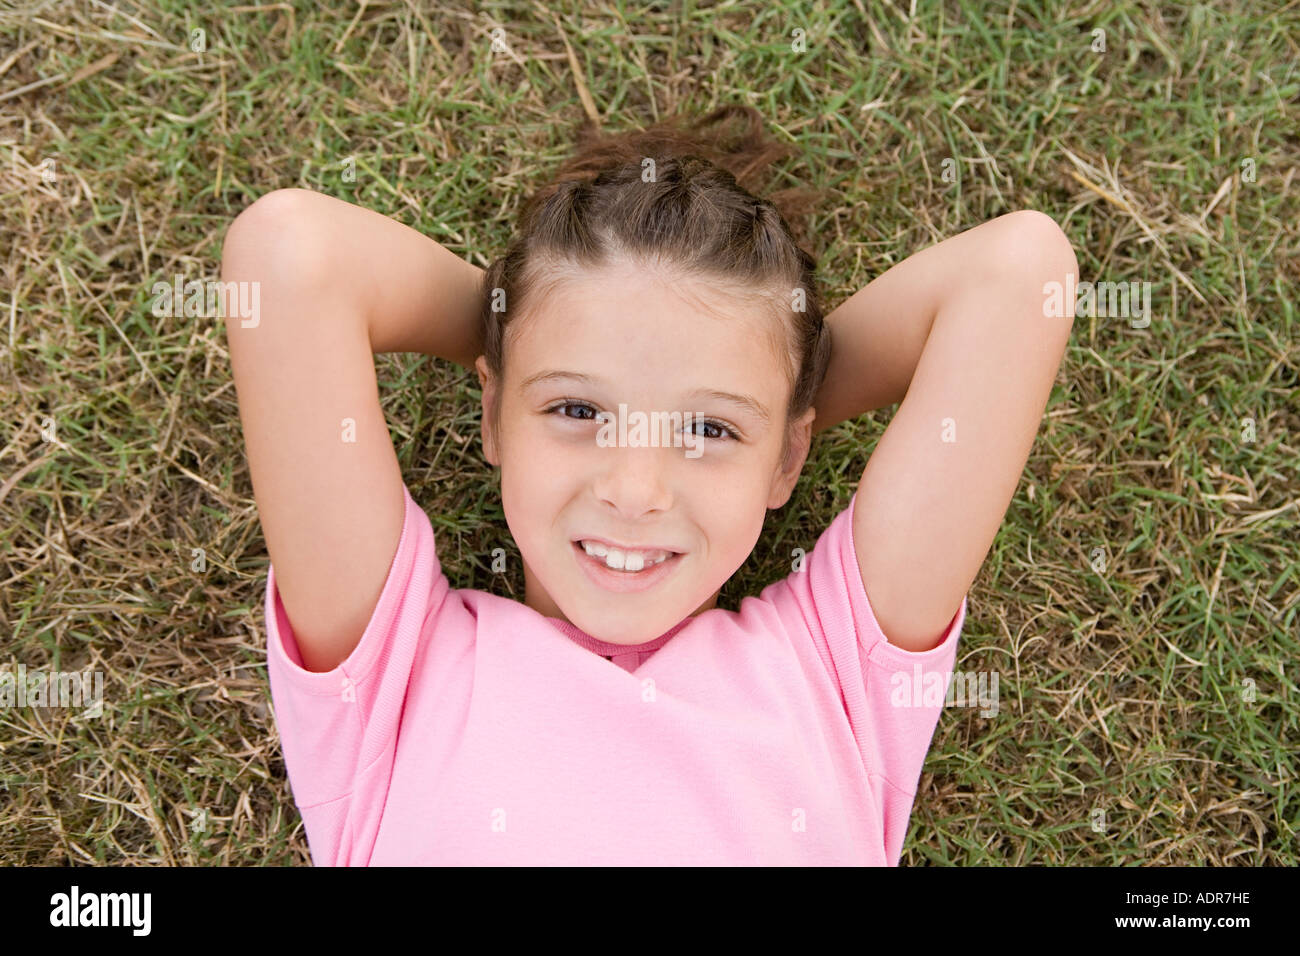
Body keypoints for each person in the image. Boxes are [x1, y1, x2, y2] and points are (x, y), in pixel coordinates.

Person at [221, 104, 1077, 865]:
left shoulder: (833, 670)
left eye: (710, 430)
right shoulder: (395, 677)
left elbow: (1018, 274)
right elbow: (291, 258)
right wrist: (525, 327)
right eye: (575, 408)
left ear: (787, 458)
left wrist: (775, 377)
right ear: (493, 418)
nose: (636, 489)